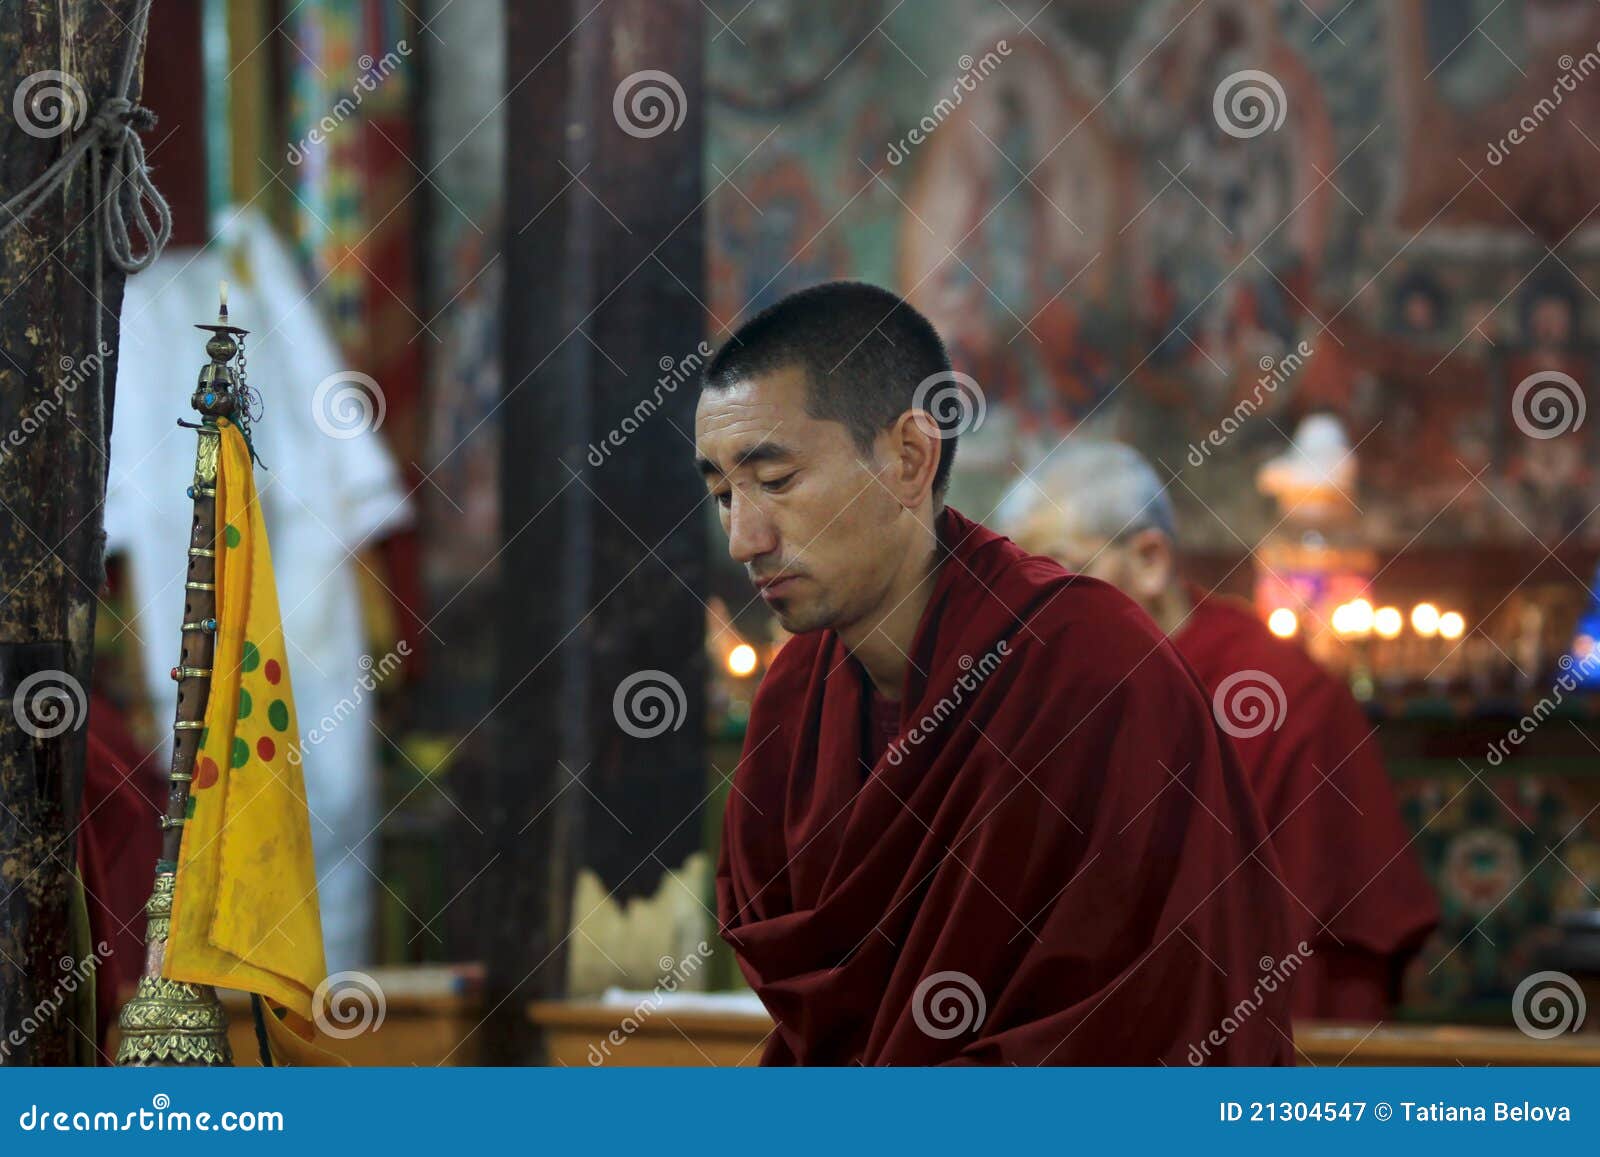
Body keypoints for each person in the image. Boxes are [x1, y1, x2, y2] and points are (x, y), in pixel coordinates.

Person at [696, 282, 1296, 1065]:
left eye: (774, 481)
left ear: (910, 456)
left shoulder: (1090, 666)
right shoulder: (792, 697)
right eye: (719, 493)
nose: (744, 538)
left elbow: (1155, 1015)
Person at [999, 441, 1439, 1021]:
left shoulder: (1277, 693)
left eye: (1058, 572)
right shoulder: (1042, 688)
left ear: (1150, 560)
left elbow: (1311, 943)